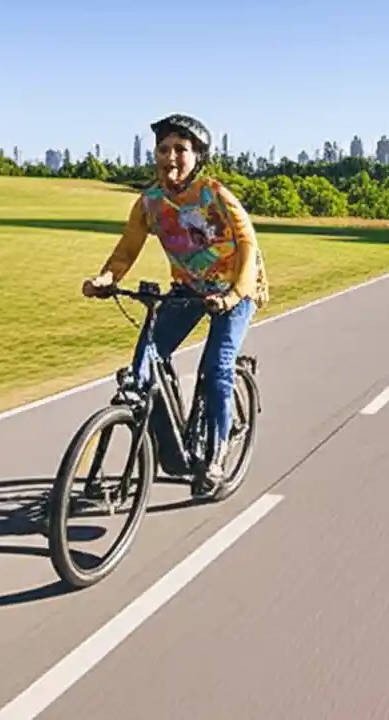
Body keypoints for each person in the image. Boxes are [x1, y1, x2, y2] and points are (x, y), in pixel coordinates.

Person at [82, 113, 269, 497]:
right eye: (163, 149)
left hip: (235, 288)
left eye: (180, 149)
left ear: (197, 156)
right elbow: (128, 246)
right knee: (145, 360)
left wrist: (234, 294)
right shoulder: (151, 202)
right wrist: (107, 278)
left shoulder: (215, 194)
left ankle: (215, 457)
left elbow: (248, 246)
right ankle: (157, 443)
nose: (170, 157)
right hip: (189, 287)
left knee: (216, 367)